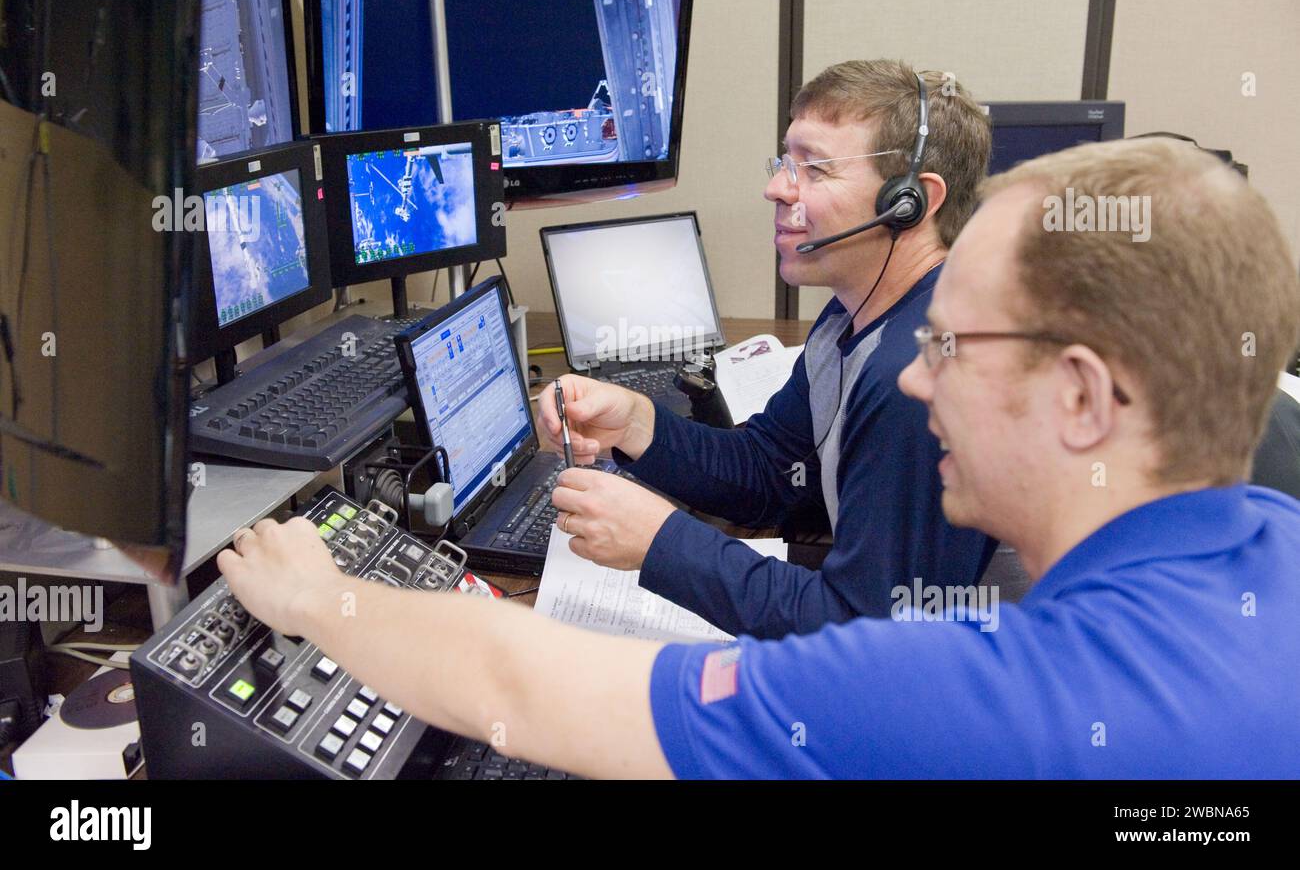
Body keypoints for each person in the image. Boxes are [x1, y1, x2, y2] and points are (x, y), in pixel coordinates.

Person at [218, 137, 1300, 778]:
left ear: (1078, 396)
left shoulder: (988, 691)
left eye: (950, 347)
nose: (917, 379)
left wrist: (325, 600)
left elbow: (522, 681)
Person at [538, 60, 998, 638]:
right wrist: (635, 424)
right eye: (786, 161)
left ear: (909, 202)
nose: (777, 187)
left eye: (816, 168)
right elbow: (774, 472)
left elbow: (869, 638)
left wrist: (660, 544)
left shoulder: (919, 375)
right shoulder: (853, 315)